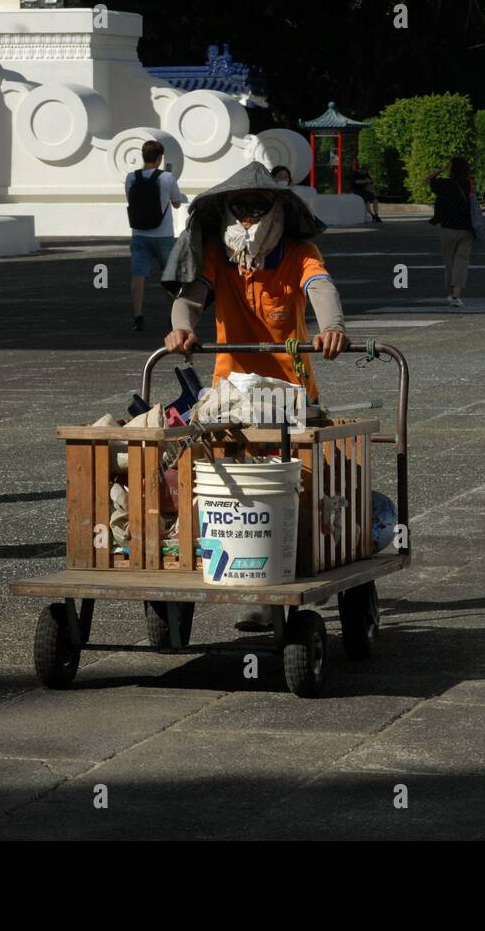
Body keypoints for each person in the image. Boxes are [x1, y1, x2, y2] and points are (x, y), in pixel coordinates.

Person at [162, 162, 349, 630]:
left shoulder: (300, 252)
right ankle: (232, 570)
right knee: (234, 487)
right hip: (232, 395)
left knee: (287, 487)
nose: (247, 220)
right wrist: (182, 327)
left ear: (278, 212)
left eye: (258, 209)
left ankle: (272, 589)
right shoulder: (215, 258)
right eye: (239, 209)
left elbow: (321, 287)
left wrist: (332, 328)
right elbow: (191, 296)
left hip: (289, 395)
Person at [125, 140, 185, 332]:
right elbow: (176, 203)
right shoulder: (167, 178)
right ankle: (172, 317)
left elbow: (130, 200)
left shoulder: (131, 178)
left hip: (139, 234)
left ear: (143, 156)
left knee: (138, 276)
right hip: (164, 235)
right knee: (169, 276)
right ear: (160, 158)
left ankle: (138, 316)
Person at [428, 157, 483, 309]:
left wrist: (442, 169)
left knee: (449, 261)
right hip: (467, 228)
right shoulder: (469, 184)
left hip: (448, 228)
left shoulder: (443, 185)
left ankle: (451, 292)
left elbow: (428, 179)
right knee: (462, 261)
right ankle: (456, 295)